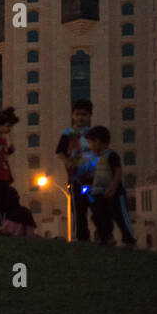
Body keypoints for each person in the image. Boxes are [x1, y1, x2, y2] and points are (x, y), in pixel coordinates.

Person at [55, 99, 96, 241]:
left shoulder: (93, 133)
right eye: (77, 114)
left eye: (84, 115)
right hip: (76, 177)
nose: (80, 117)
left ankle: (102, 235)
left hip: (93, 177)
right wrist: (68, 162)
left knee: (96, 206)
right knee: (78, 208)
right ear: (73, 115)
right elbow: (60, 151)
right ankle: (81, 237)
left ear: (90, 116)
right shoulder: (68, 132)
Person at [87, 126, 129, 247]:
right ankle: (106, 237)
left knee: (120, 217)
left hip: (114, 192)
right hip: (99, 193)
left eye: (90, 143)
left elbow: (117, 171)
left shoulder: (111, 155)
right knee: (98, 215)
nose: (90, 146)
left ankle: (129, 240)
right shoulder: (96, 158)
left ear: (98, 141)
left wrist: (114, 187)